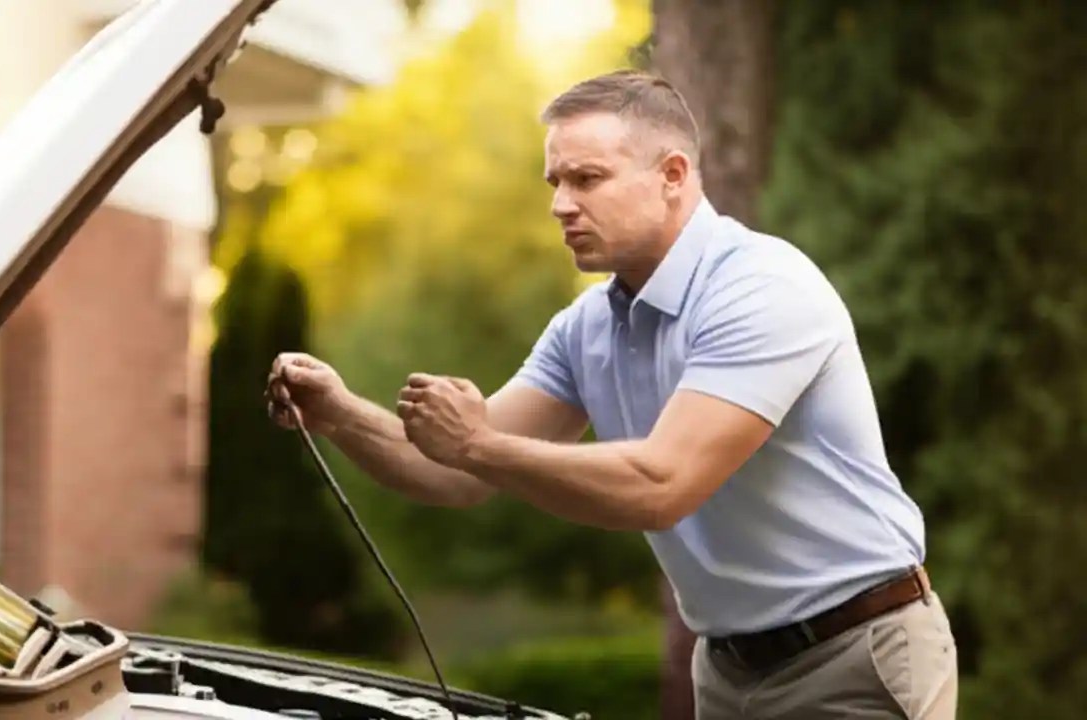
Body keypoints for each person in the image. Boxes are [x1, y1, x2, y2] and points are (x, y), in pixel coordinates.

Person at [266, 69, 957, 719]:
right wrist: (339, 413)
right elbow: (456, 472)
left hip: (854, 655)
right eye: (555, 181)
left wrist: (477, 442)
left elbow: (663, 484)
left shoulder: (761, 287)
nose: (561, 205)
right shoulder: (586, 328)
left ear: (673, 176)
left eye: (588, 179)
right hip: (728, 673)